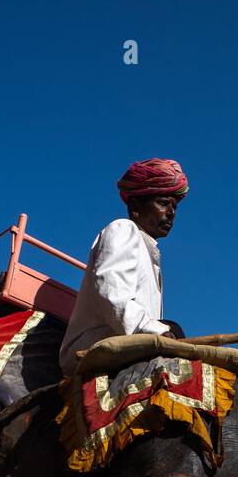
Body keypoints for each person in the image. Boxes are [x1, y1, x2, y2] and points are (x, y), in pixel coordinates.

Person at [59, 157, 189, 378]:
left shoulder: (151, 254)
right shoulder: (122, 229)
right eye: (164, 203)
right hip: (93, 352)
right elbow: (113, 296)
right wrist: (158, 332)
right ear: (136, 206)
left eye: (174, 207)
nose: (171, 213)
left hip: (133, 350)